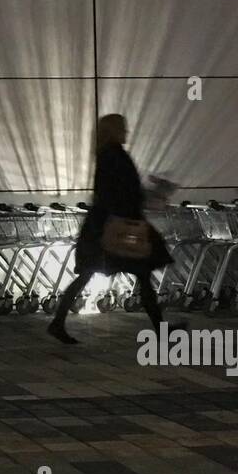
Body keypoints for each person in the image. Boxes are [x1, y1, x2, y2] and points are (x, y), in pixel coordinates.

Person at [46, 113, 173, 345]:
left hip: (104, 225)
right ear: (115, 130)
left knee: (88, 275)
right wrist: (153, 193)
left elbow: (111, 191)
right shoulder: (115, 155)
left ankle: (58, 321)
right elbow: (124, 191)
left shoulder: (105, 154)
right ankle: (162, 331)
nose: (127, 132)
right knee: (142, 275)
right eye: (123, 128)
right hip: (118, 227)